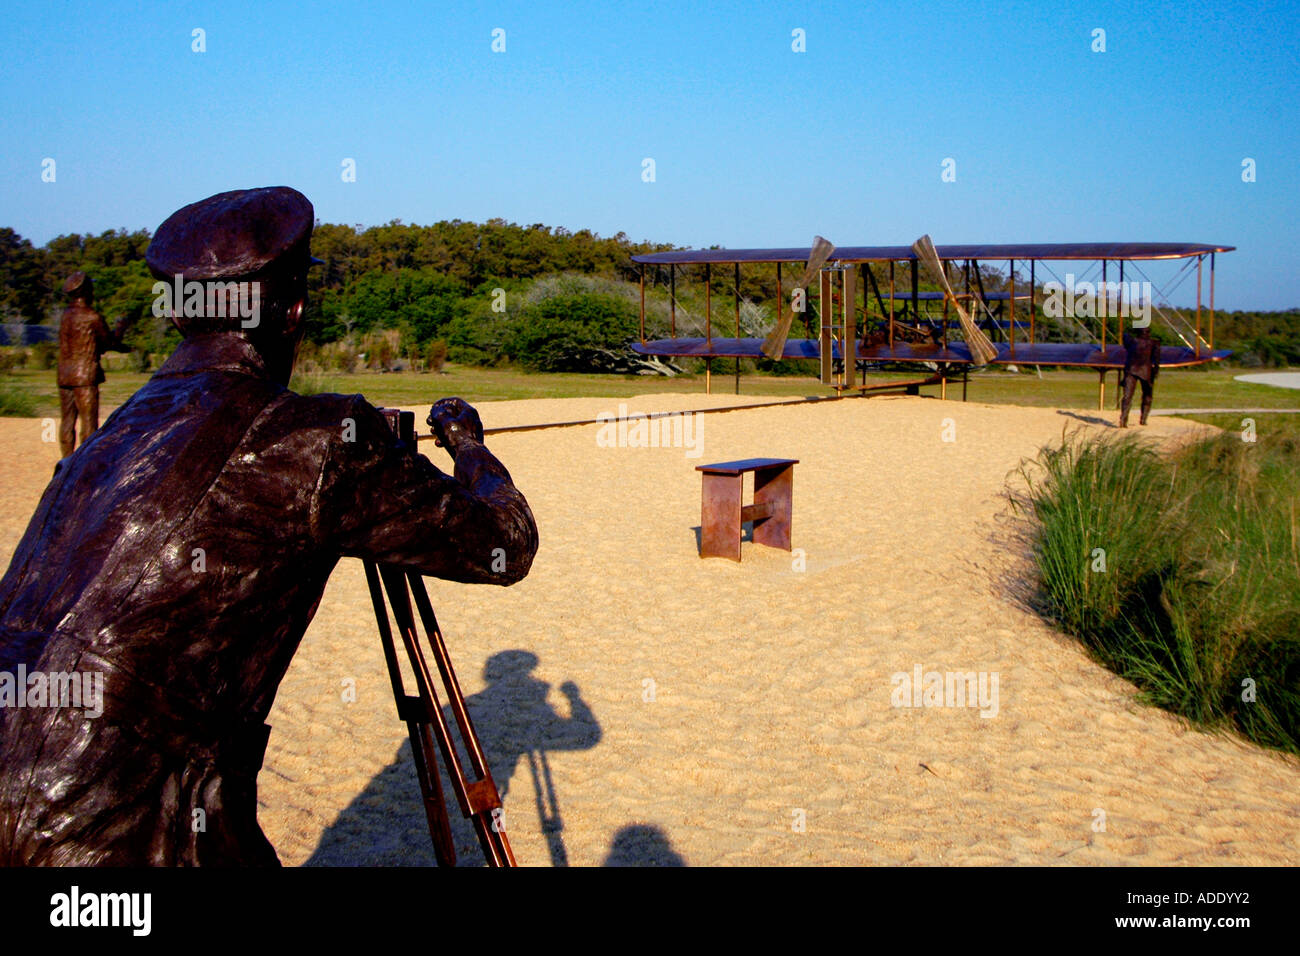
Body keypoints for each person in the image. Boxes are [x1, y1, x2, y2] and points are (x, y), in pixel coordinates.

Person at [0, 186, 538, 865]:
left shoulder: (109, 439)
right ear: (294, 311)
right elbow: (505, 544)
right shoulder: (319, 441)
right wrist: (468, 445)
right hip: (119, 818)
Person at [56, 271, 125, 457]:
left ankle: (66, 461)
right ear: (87, 291)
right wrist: (121, 329)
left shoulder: (66, 316)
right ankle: (84, 464)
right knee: (88, 422)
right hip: (84, 375)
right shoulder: (91, 317)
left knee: (67, 421)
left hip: (64, 373)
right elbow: (108, 343)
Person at [1120, 324, 1161, 427]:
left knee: (1128, 396)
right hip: (1143, 371)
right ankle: (1141, 419)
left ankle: (1125, 420)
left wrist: (1131, 328)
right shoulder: (1153, 343)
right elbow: (1156, 360)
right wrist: (1155, 372)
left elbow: (1124, 333)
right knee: (1144, 395)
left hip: (1133, 370)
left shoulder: (1132, 341)